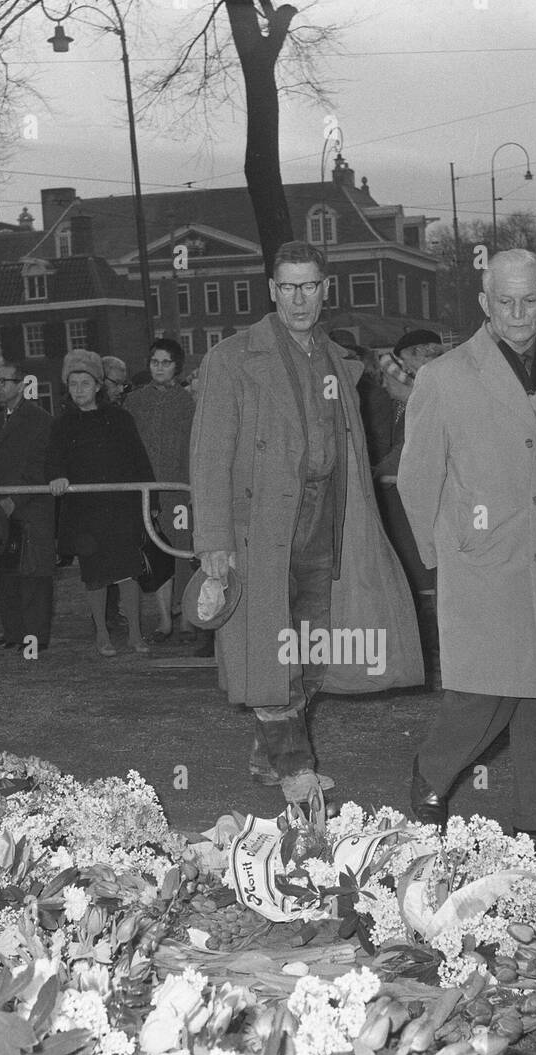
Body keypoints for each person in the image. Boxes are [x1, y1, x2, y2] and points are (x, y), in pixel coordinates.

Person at [190, 239, 422, 804]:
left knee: (312, 648)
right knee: (272, 646)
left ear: (325, 289)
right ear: (272, 290)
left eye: (310, 285)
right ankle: (295, 764)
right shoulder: (231, 358)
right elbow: (208, 457)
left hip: (326, 519)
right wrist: (214, 540)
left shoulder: (340, 361)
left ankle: (267, 751)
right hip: (259, 527)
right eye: (288, 286)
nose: (300, 298)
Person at [398, 248, 536, 855]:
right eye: (504, 301)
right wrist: (446, 555)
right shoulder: (443, 376)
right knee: (484, 690)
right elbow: (417, 479)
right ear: (485, 304)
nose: (517, 313)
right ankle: (431, 779)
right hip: (481, 557)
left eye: (529, 300)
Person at [49, 348, 154, 656]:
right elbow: (53, 461)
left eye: (85, 383)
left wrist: (152, 499)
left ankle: (136, 635)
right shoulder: (61, 425)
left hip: (121, 508)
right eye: (73, 384)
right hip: (85, 514)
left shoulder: (120, 419)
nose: (79, 389)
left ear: (98, 386)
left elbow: (139, 460)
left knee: (126, 570)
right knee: (94, 575)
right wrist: (57, 477)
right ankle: (102, 635)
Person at [373, 329, 446, 688]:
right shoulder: (406, 407)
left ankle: (436, 663)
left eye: (391, 378)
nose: (385, 386)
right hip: (410, 510)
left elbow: (404, 454)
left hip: (419, 513)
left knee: (428, 586)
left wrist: (371, 477)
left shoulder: (422, 406)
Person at [123, 339, 195, 640]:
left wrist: (194, 486)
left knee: (184, 550)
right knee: (156, 552)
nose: (160, 368)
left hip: (179, 488)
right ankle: (165, 619)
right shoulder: (135, 402)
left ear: (177, 366)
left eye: (166, 362)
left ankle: (188, 616)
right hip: (147, 490)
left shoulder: (188, 402)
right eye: (155, 362)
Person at [0, 362, 56, 651]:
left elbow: (41, 466)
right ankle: (13, 634)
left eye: (3, 382)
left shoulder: (40, 420)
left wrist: (15, 500)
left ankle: (34, 639)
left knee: (33, 577)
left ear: (22, 384)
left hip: (30, 510)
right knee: (7, 576)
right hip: (1, 510)